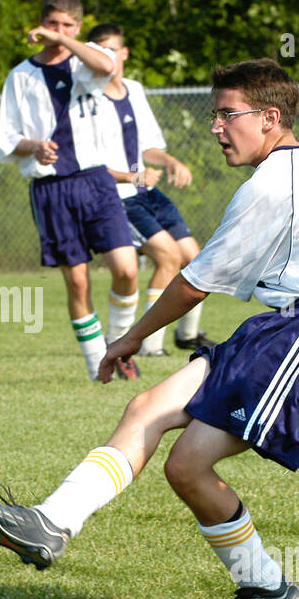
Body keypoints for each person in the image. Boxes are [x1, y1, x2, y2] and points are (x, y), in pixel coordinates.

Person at [0, 58, 299, 599]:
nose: (216, 128)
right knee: (156, 421)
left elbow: (194, 284)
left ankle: (266, 587)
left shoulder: (270, 184)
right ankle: (53, 523)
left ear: (270, 117)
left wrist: (128, 337)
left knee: (185, 457)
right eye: (214, 115)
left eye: (228, 115)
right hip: (287, 326)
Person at [0, 0, 142, 380]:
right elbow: (9, 138)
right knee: (77, 281)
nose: (59, 32)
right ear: (41, 23)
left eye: (68, 26)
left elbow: (107, 64)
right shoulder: (21, 76)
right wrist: (35, 147)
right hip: (52, 188)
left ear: (78, 28)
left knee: (127, 269)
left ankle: (118, 346)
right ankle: (99, 367)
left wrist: (64, 42)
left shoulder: (85, 61)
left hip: (97, 180)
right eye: (53, 25)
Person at [87, 23, 213, 357]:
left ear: (124, 52)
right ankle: (148, 347)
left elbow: (148, 149)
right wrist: (130, 178)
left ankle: (187, 336)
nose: (107, 56)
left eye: (112, 48)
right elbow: (89, 164)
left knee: (195, 258)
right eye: (100, 50)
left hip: (147, 193)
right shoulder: (88, 101)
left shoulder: (134, 90)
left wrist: (170, 162)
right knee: (168, 257)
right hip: (119, 198)